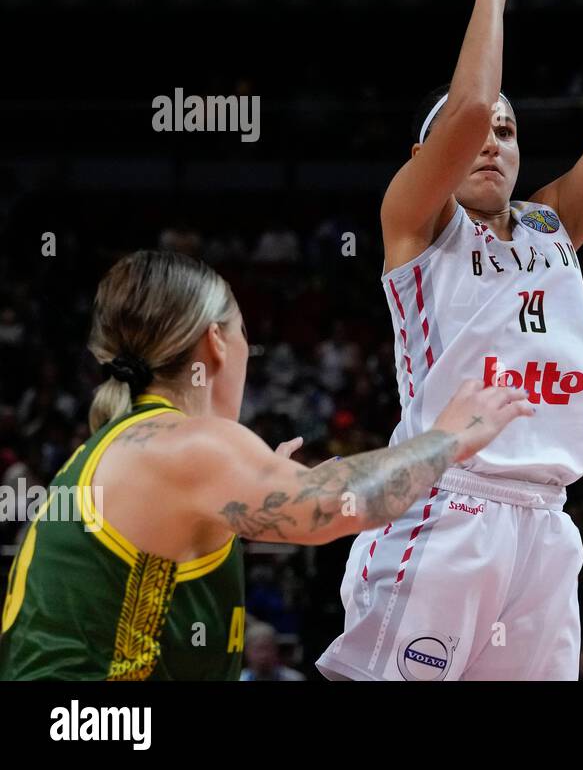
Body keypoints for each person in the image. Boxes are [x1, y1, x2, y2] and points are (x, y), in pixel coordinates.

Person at [317, 0, 583, 681]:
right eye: (477, 135)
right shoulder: (417, 222)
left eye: (510, 132)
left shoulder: (552, 225)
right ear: (427, 152)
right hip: (444, 505)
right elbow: (471, 106)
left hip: (546, 525)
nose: (492, 139)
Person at [0, 250, 531, 680]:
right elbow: (337, 504)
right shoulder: (188, 444)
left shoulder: (117, 446)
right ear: (215, 342)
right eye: (244, 336)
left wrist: (251, 496)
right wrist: (450, 437)